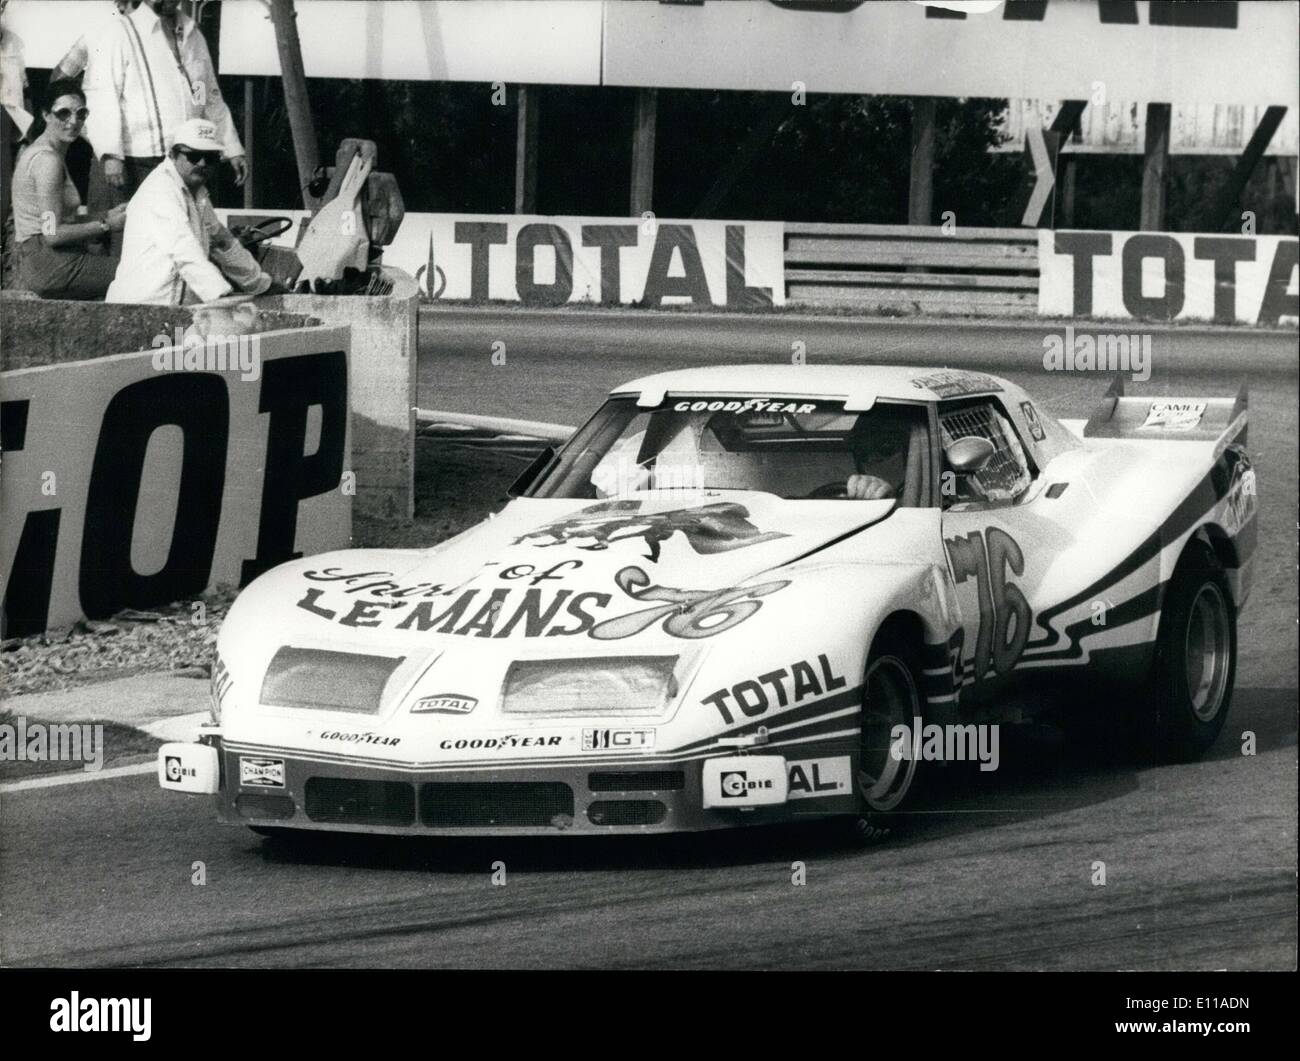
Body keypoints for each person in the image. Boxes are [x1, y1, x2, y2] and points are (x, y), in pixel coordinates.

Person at [84, 0, 246, 237]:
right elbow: (103, 95)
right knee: (132, 242)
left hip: (181, 161)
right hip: (134, 161)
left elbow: (207, 94)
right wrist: (110, 154)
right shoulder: (120, 31)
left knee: (179, 239)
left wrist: (232, 148)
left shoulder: (193, 35)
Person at [106, 118, 270, 305]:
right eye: (193, 156)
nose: (201, 163)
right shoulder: (160, 190)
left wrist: (261, 284)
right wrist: (220, 296)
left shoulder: (197, 193)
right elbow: (184, 250)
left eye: (210, 158)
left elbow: (222, 241)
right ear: (173, 155)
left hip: (173, 307)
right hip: (141, 308)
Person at [10, 80, 125, 300]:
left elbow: (57, 221)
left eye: (81, 114)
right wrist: (107, 225)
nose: (73, 121)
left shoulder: (49, 153)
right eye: (63, 113)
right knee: (138, 272)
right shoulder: (47, 160)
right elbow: (52, 233)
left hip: (46, 259)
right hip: (48, 263)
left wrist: (106, 215)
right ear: (45, 115)